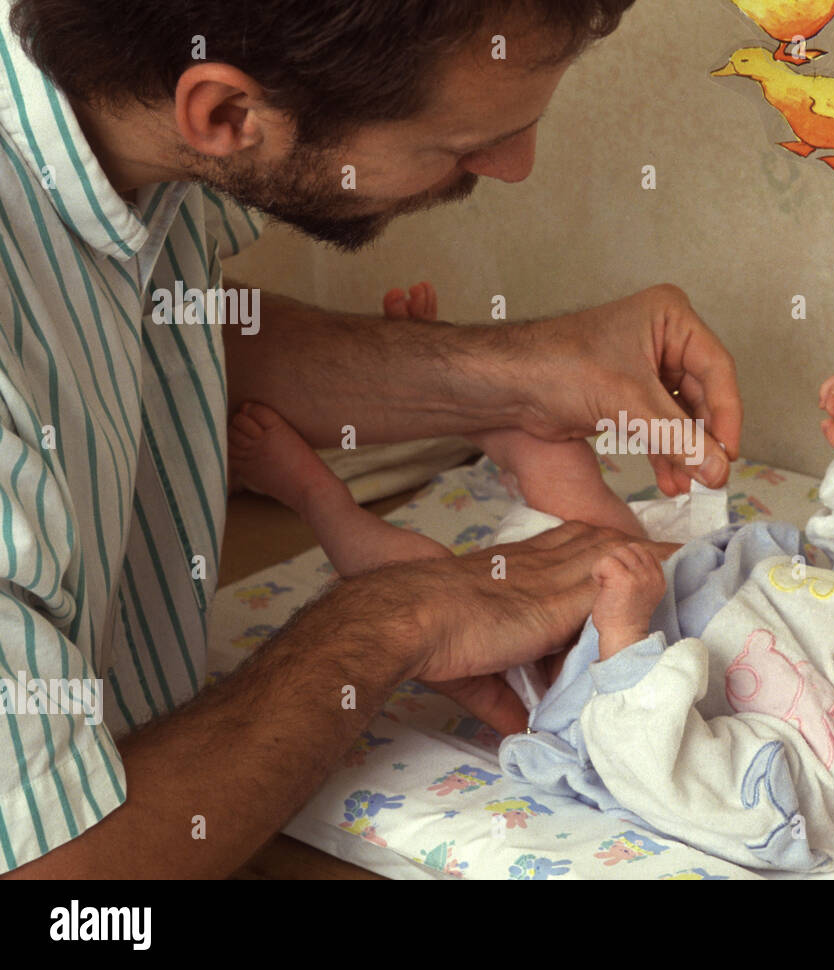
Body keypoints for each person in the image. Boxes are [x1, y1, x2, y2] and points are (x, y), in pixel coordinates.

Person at [0, 0, 741, 877]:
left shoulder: (130, 119)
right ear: (228, 115)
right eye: (462, 145)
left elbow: (161, 329)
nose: (516, 166)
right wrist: (403, 615)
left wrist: (526, 369)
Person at [230, 365, 834, 871]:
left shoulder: (800, 796)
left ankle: (312, 496)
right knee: (571, 476)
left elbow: (670, 775)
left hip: (577, 680)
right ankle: (499, 431)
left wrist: (623, 641)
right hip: (655, 573)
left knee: (422, 603)